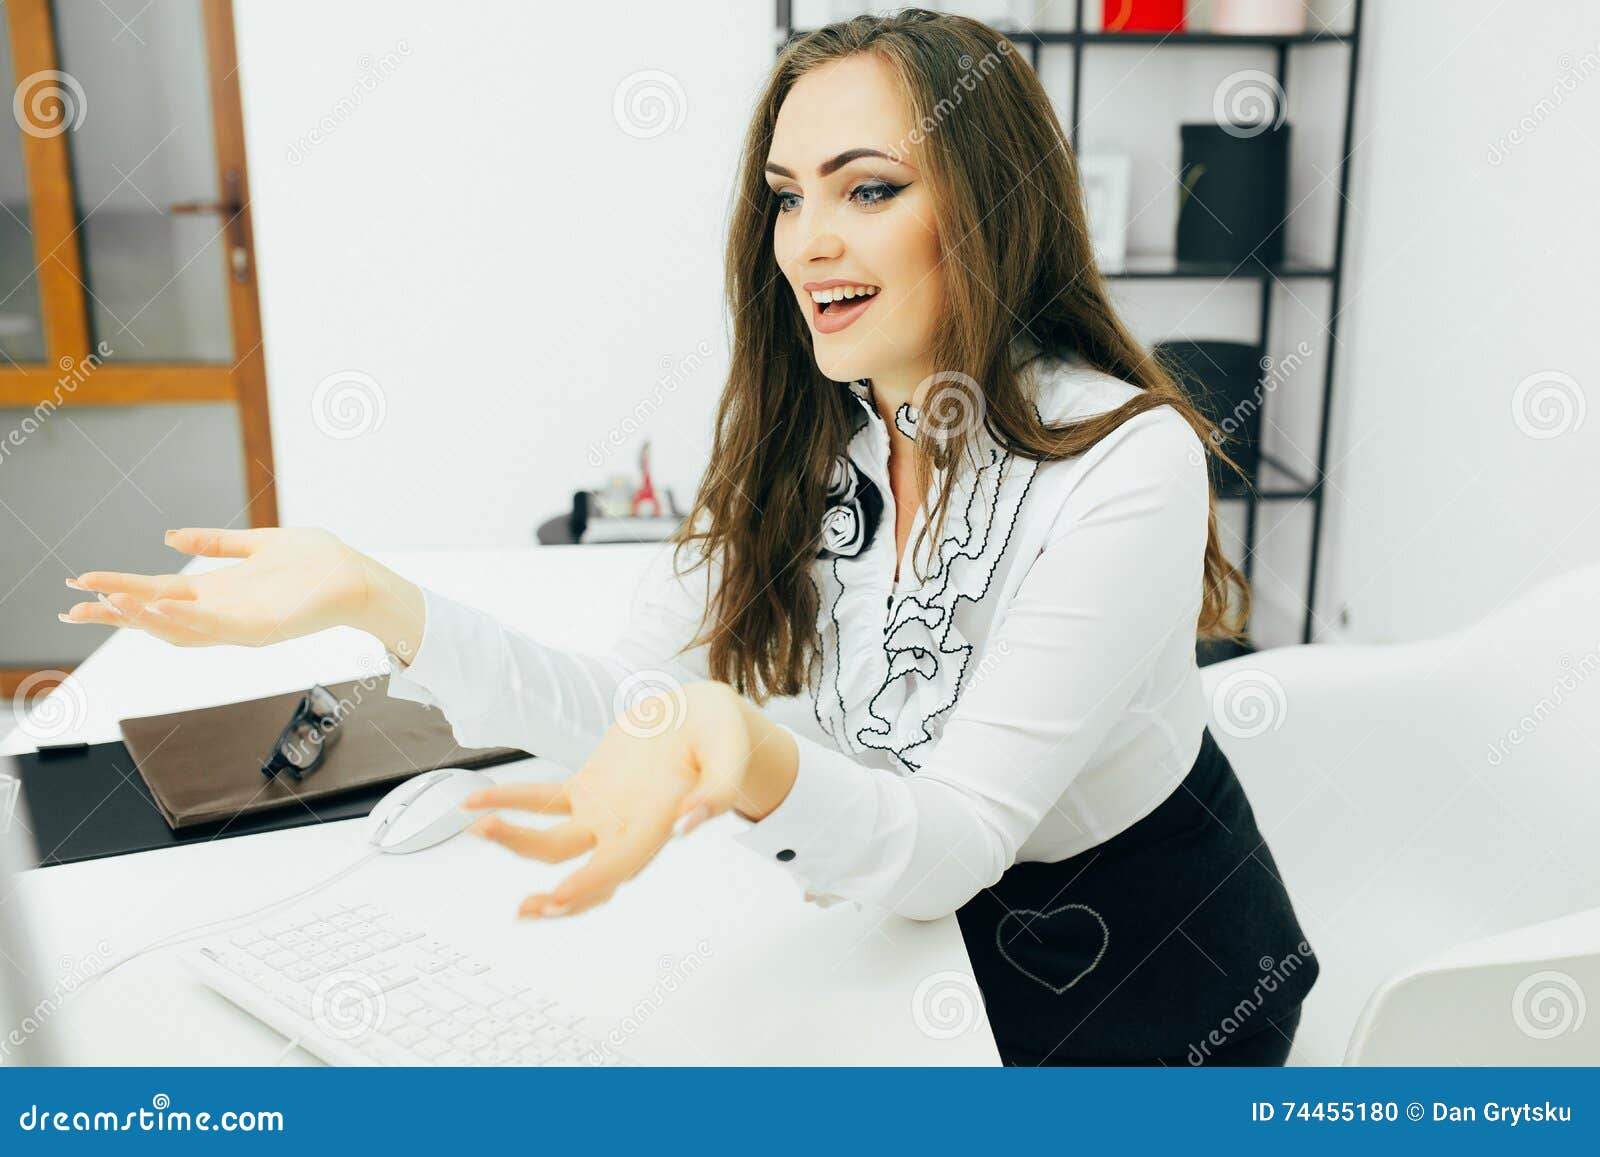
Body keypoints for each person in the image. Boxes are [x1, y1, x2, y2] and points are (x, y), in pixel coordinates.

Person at [58, 9, 1319, 1066]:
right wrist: (381, 598)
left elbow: (949, 844)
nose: (808, 241)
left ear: (989, 208)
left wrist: (747, 749)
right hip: (910, 925)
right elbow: (629, 701)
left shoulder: (1121, 461)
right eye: (786, 197)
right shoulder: (818, 434)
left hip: (1142, 957)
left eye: (868, 188)